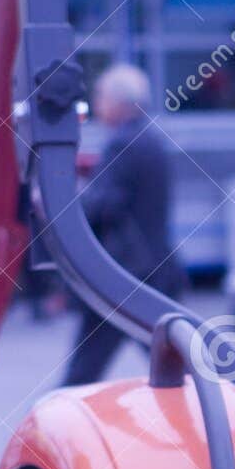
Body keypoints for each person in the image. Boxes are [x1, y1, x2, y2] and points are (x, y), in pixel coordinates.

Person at [63, 64, 181, 385]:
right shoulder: (150, 138)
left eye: (99, 96)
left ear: (118, 102)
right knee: (168, 358)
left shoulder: (122, 144)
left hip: (124, 273)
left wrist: (73, 194)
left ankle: (56, 426)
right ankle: (204, 412)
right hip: (152, 266)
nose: (96, 104)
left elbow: (103, 204)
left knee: (84, 369)